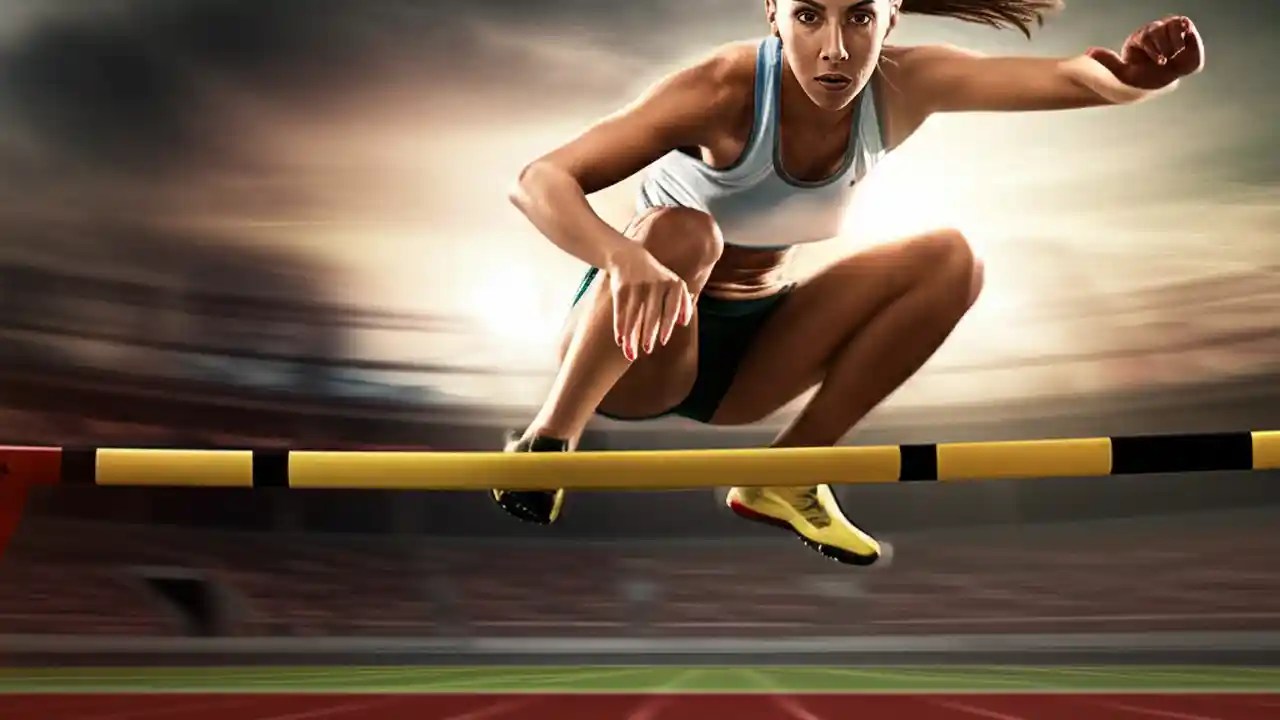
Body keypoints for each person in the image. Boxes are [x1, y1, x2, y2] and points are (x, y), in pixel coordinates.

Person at [491, 0, 1205, 566]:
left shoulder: (906, 84)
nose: (834, 48)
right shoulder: (722, 88)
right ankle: (547, 446)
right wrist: (621, 255)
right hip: (637, 352)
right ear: (772, 12)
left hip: (756, 361)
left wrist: (1138, 79)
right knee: (687, 233)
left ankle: (793, 471)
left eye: (859, 16)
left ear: (891, 16)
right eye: (809, 15)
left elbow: (1073, 78)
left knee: (951, 258)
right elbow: (540, 180)